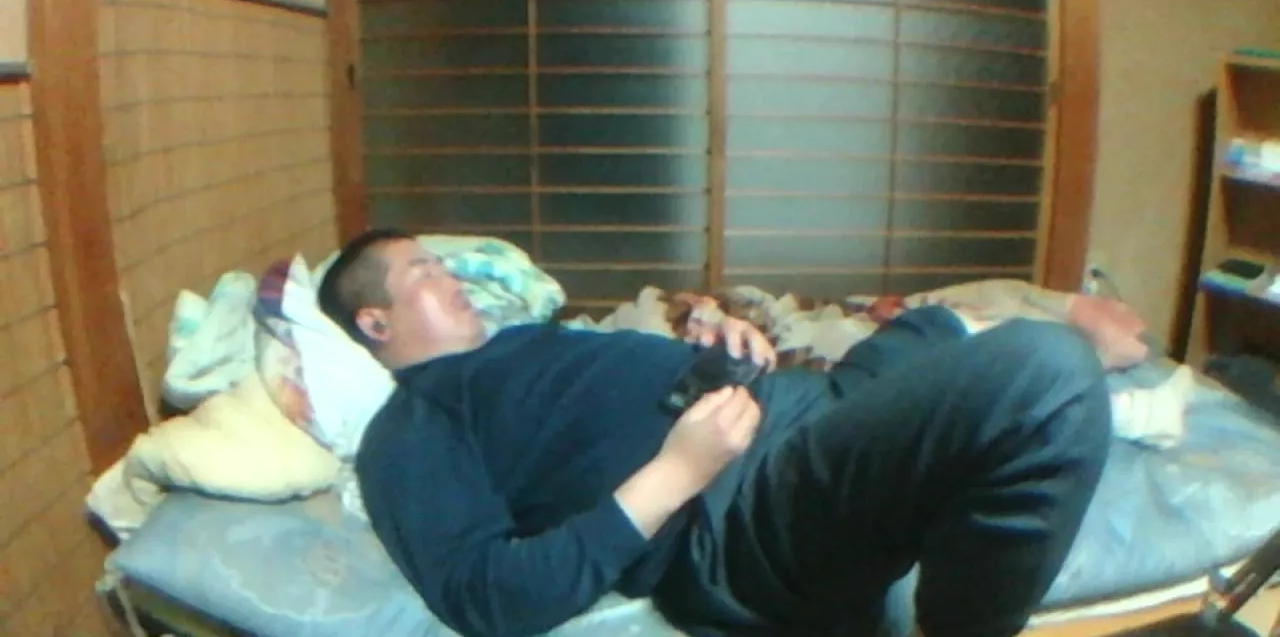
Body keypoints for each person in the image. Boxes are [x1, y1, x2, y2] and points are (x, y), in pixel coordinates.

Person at [318, 227, 1122, 637]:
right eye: (424, 272)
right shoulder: (410, 428)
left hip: (789, 403)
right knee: (1045, 374)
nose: (452, 277)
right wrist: (677, 472)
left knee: (938, 325)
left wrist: (718, 349)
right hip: (732, 511)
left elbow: (603, 402)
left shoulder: (520, 343)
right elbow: (486, 598)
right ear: (375, 322)